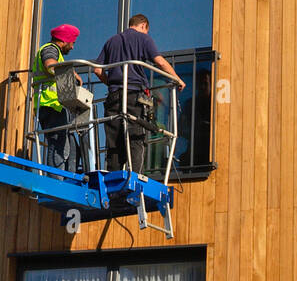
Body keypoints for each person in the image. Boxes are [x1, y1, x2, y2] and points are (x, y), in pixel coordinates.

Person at [94, 14, 184, 174]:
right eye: (147, 31)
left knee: (114, 143)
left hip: (114, 96)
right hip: (134, 95)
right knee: (136, 138)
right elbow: (160, 62)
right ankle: (136, 177)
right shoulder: (143, 39)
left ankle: (113, 180)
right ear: (143, 25)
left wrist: (112, 83)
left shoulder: (111, 41)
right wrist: (178, 80)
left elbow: (97, 70)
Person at [31, 23, 80, 170]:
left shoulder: (54, 51)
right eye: (72, 43)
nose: (72, 47)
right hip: (51, 105)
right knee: (59, 147)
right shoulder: (50, 49)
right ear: (64, 40)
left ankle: (68, 180)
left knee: (72, 148)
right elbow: (50, 65)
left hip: (57, 106)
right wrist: (72, 75)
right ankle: (57, 182)